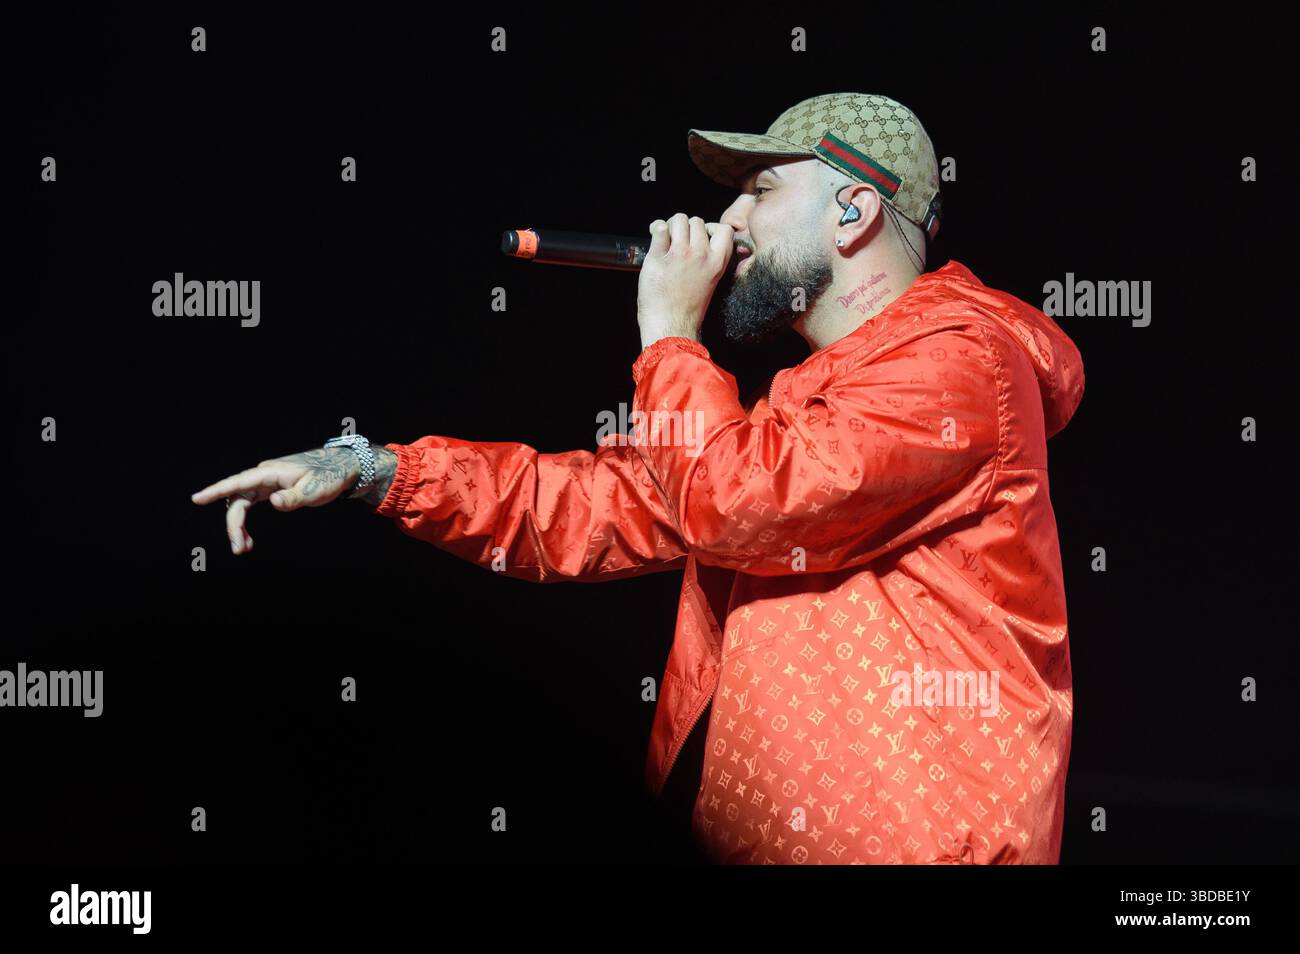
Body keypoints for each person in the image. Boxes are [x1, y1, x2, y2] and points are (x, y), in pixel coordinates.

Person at [192, 92, 1085, 864]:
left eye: (759, 192)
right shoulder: (793, 412)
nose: (726, 224)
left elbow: (740, 504)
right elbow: (595, 503)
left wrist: (667, 332)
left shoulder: (962, 361)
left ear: (852, 213)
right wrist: (372, 470)